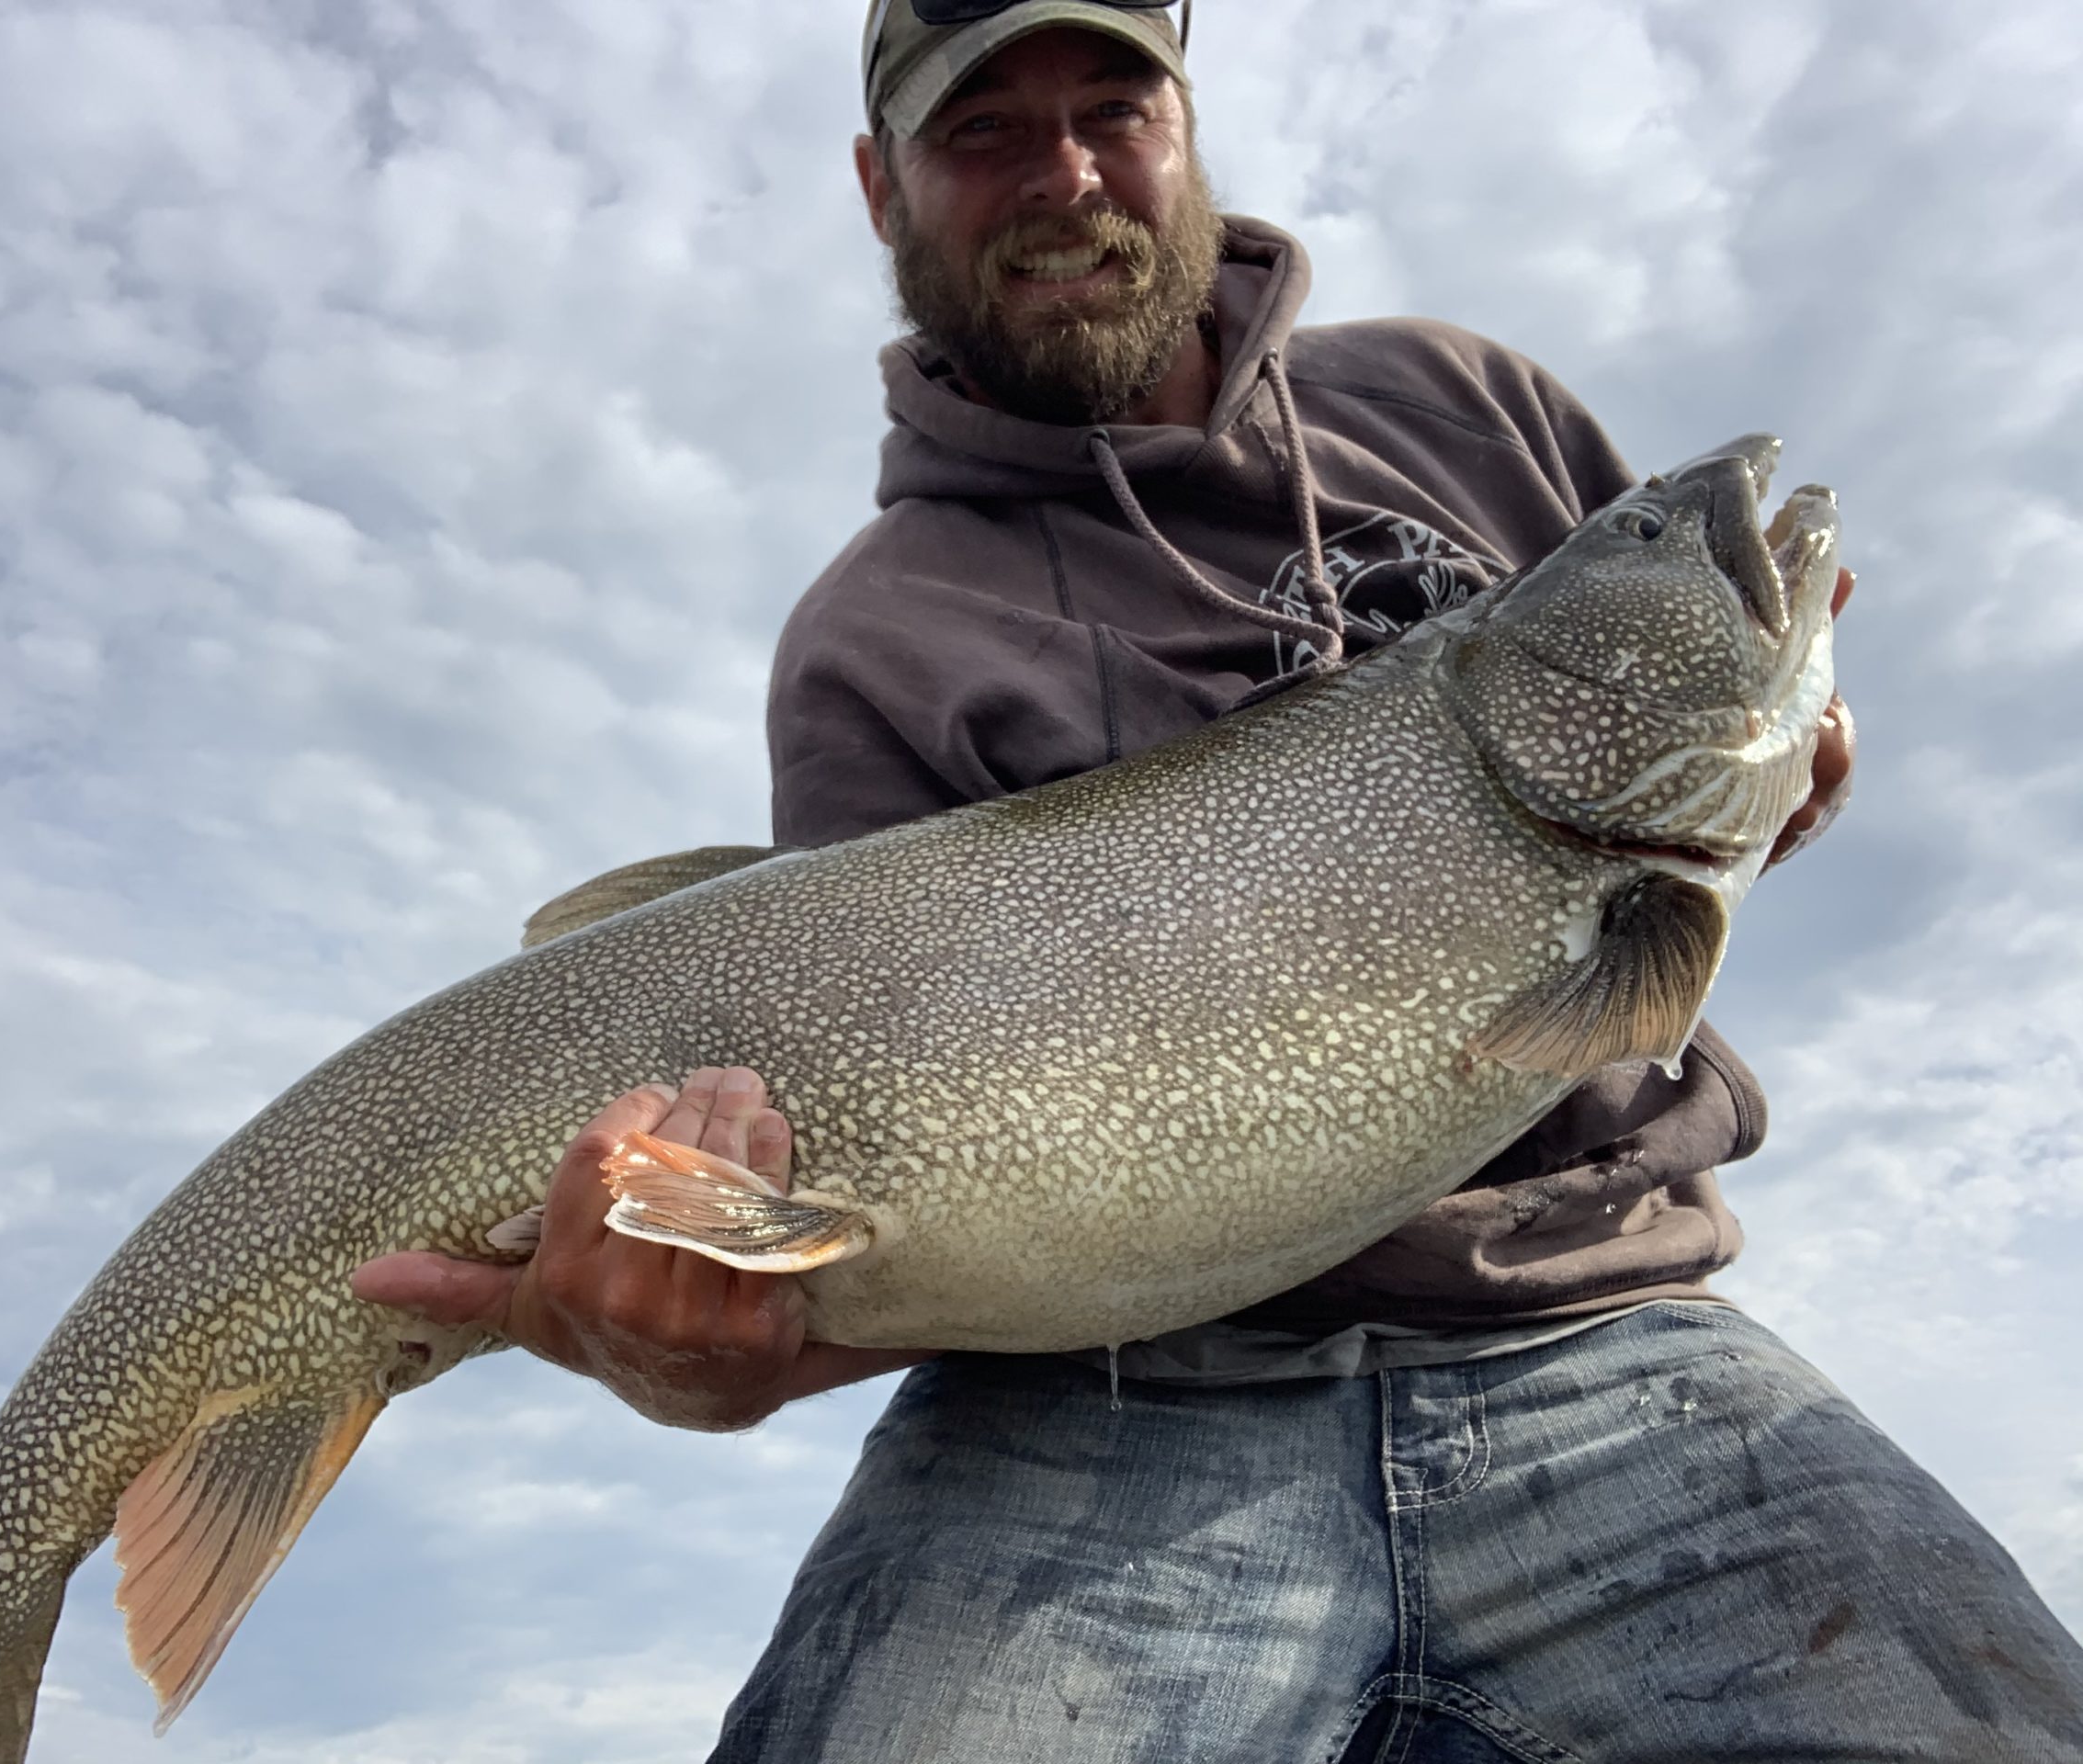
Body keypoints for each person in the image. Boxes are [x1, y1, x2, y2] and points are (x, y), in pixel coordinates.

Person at [355, 4, 2083, 1758]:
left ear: (1189, 127)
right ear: (881, 189)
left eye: (1119, 105)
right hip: (1096, 1411)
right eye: (985, 134)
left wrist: (1765, 772)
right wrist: (701, 1339)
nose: (1071, 175)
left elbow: (1668, 824)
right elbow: (891, 1211)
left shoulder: (1464, 400)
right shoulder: (869, 642)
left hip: (1607, 1315)